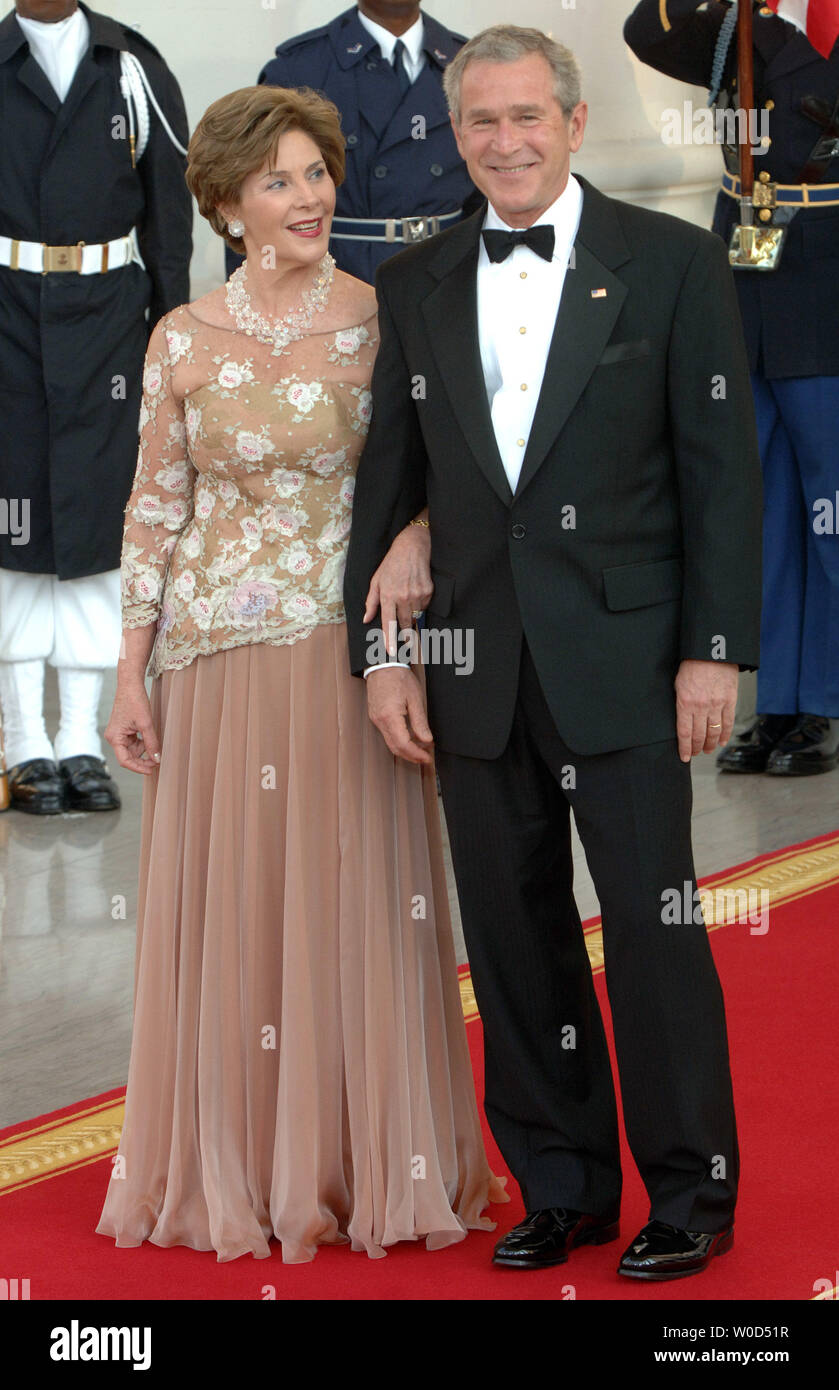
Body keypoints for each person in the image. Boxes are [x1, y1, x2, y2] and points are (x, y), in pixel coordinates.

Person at [343, 24, 763, 1280]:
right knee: (514, 943)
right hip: (474, 662)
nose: (505, 142)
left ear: (573, 124)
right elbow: (390, 487)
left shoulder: (674, 263)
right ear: (454, 134)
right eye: (481, 122)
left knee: (653, 935)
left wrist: (713, 651)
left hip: (626, 660)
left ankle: (690, 1197)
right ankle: (562, 1186)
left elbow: (721, 478)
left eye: (527, 117)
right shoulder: (415, 282)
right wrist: (381, 656)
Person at [95, 83, 507, 1264]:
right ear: (228, 207)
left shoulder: (389, 316)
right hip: (212, 664)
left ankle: (362, 1161)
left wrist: (415, 537)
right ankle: (232, 1162)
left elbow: (437, 471)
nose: (309, 196)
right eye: (278, 179)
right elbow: (152, 512)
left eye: (316, 172)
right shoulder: (179, 335)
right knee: (237, 913)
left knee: (355, 901)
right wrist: (129, 674)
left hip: (346, 657)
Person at [624, 0, 839, 776]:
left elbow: (823, 106)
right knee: (757, 504)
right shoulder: (748, 9)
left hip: (826, 279)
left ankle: (823, 700)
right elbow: (645, 33)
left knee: (830, 508)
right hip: (745, 271)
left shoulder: (783, 30)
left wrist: (773, 42)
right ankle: (776, 699)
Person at [0, 0, 192, 815]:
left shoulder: (134, 66)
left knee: (95, 531)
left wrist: (171, 337)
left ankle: (81, 739)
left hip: (111, 323)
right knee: (12, 534)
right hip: (6, 314)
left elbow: (170, 216)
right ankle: (23, 744)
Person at [226, 1, 479, 285]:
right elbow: (253, 203)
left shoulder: (471, 63)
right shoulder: (299, 69)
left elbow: (492, 195)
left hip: (448, 276)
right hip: (334, 280)